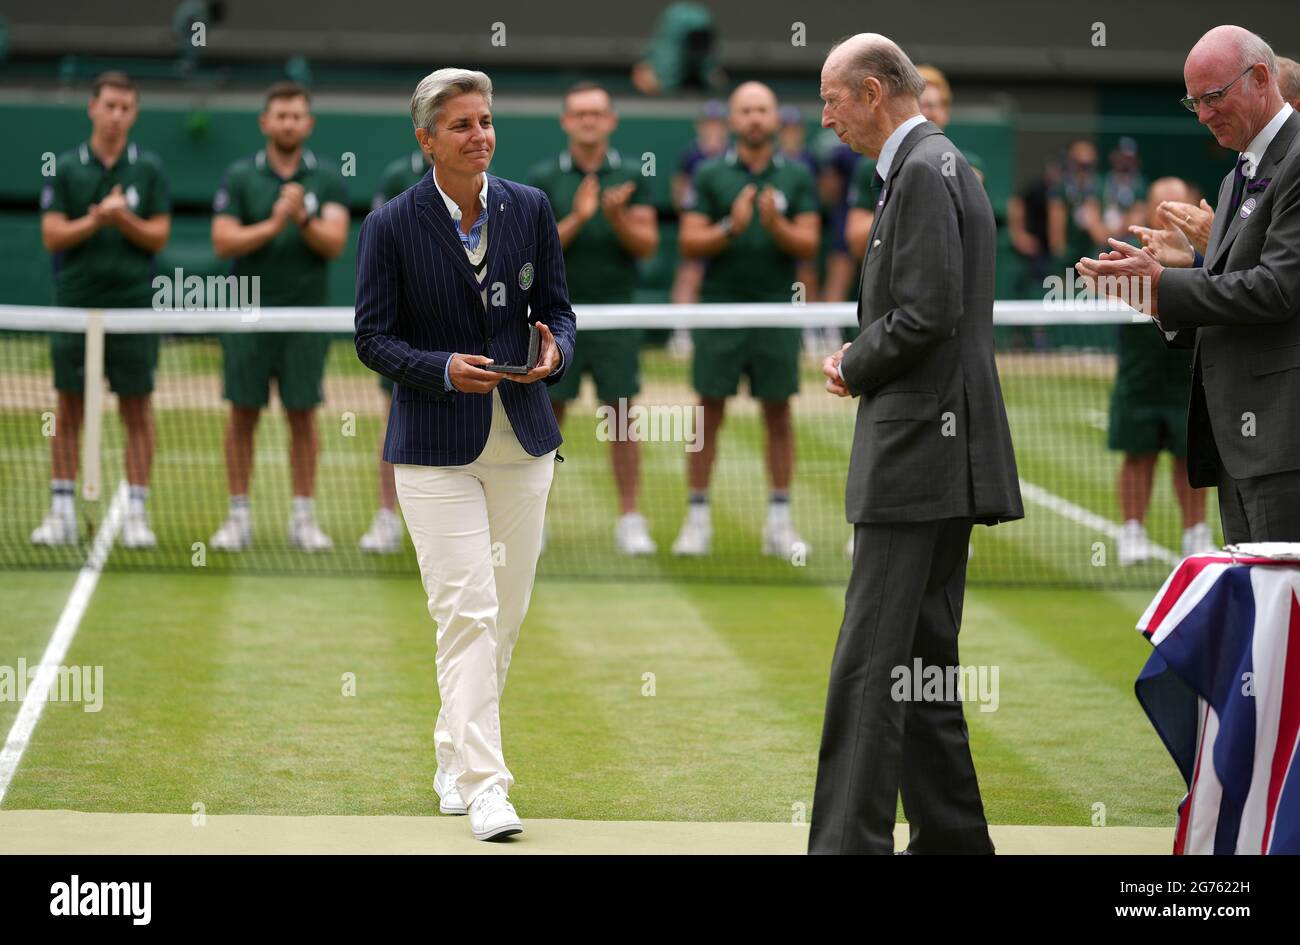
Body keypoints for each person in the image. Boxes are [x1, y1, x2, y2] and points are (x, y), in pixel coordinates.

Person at [354, 68, 576, 841]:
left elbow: (558, 311)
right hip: (433, 450)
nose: (480, 135)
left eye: (485, 121)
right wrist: (442, 368)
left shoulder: (532, 208)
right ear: (426, 140)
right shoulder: (388, 225)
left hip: (524, 441)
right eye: (461, 125)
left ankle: (453, 751)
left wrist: (556, 353)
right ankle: (488, 786)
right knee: (467, 610)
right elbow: (372, 339)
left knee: (502, 617)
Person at [813, 33, 1022, 855]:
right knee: (923, 667)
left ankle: (844, 844)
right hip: (940, 459)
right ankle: (954, 841)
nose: (825, 117)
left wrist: (850, 361)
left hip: (915, 461)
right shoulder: (938, 166)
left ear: (872, 92)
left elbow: (925, 312)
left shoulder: (926, 172)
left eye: (832, 99)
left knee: (869, 668)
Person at [1078, 25, 1300, 545]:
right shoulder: (1236, 175)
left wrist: (1166, 285)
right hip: (1241, 444)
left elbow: (1276, 289)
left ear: (1261, 78)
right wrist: (1154, 292)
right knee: (1258, 611)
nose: (1202, 115)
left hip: (1281, 440)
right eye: (1193, 102)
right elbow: (1230, 287)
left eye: (1214, 97)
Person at [672, 81, 820, 558]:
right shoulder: (710, 174)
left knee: (778, 412)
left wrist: (776, 225)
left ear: (774, 119)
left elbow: (810, 245)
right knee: (708, 413)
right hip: (720, 309)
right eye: (746, 111)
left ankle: (779, 521)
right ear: (733, 121)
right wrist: (732, 225)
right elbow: (690, 244)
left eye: (762, 110)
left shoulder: (797, 176)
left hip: (776, 310)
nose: (755, 118)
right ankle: (697, 521)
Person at [208, 81, 350, 552]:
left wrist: (302, 219)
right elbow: (223, 241)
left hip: (305, 320)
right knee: (242, 415)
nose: (288, 123)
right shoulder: (238, 176)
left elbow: (334, 243)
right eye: (280, 116)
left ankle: (303, 519)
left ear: (307, 124)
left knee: (303, 418)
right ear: (265, 123)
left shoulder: (326, 178)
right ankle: (237, 517)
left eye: (296, 116)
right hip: (248, 316)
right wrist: (273, 223)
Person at [33, 71, 171, 549]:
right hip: (76, 306)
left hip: (133, 309)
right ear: (92, 107)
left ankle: (135, 511)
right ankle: (61, 510)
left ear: (133, 114)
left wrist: (123, 217)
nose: (116, 115)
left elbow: (157, 236)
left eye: (125, 108)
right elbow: (52, 235)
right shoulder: (66, 168)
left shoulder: (148, 169)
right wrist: (97, 217)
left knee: (137, 408)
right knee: (69, 407)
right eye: (108, 105)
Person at [529, 82, 659, 555]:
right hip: (553, 319)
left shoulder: (631, 175)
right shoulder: (543, 178)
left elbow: (646, 245)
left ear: (610, 121)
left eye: (596, 113)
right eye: (579, 113)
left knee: (622, 418)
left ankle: (629, 518)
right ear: (566, 121)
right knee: (546, 419)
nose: (588, 121)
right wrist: (581, 217)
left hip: (616, 315)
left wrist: (616, 216)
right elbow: (533, 255)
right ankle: (534, 522)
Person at [1108, 178, 1213, 563]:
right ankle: (1132, 533)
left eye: (1176, 205)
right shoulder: (1126, 249)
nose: (1168, 213)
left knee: (1190, 453)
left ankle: (1196, 534)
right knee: (1138, 453)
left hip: (1188, 370)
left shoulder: (1211, 254)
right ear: (1148, 209)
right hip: (1141, 372)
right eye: (1161, 206)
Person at [358, 148, 431, 554]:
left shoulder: (484, 184)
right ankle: (387, 517)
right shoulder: (396, 176)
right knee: (395, 419)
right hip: (402, 329)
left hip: (460, 328)